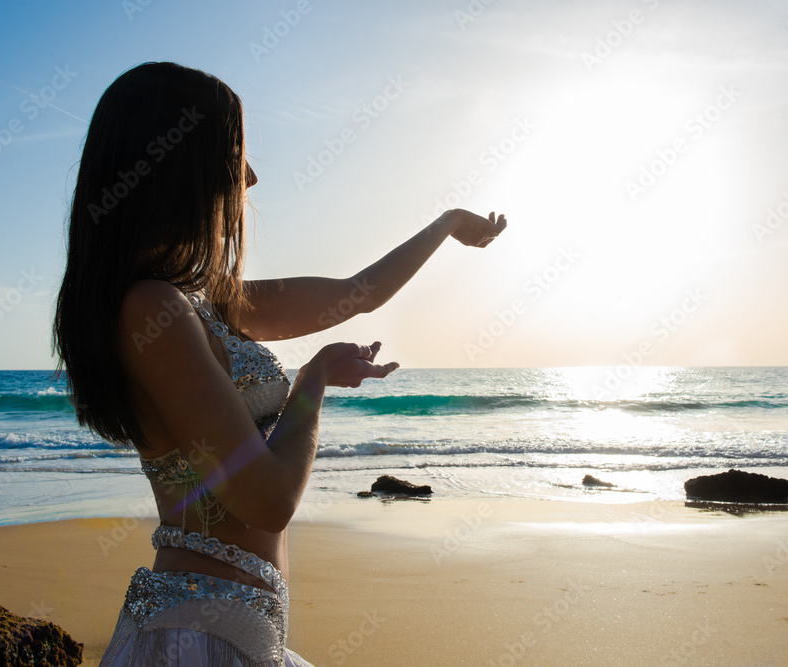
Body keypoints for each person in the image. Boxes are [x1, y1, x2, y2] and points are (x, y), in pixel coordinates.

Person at [52, 61, 506, 666]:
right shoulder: (150, 309)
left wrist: (448, 223)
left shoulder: (202, 301)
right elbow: (266, 500)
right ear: (182, 162)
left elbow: (359, 291)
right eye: (237, 151)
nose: (252, 176)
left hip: (237, 632)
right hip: (195, 641)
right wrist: (312, 382)